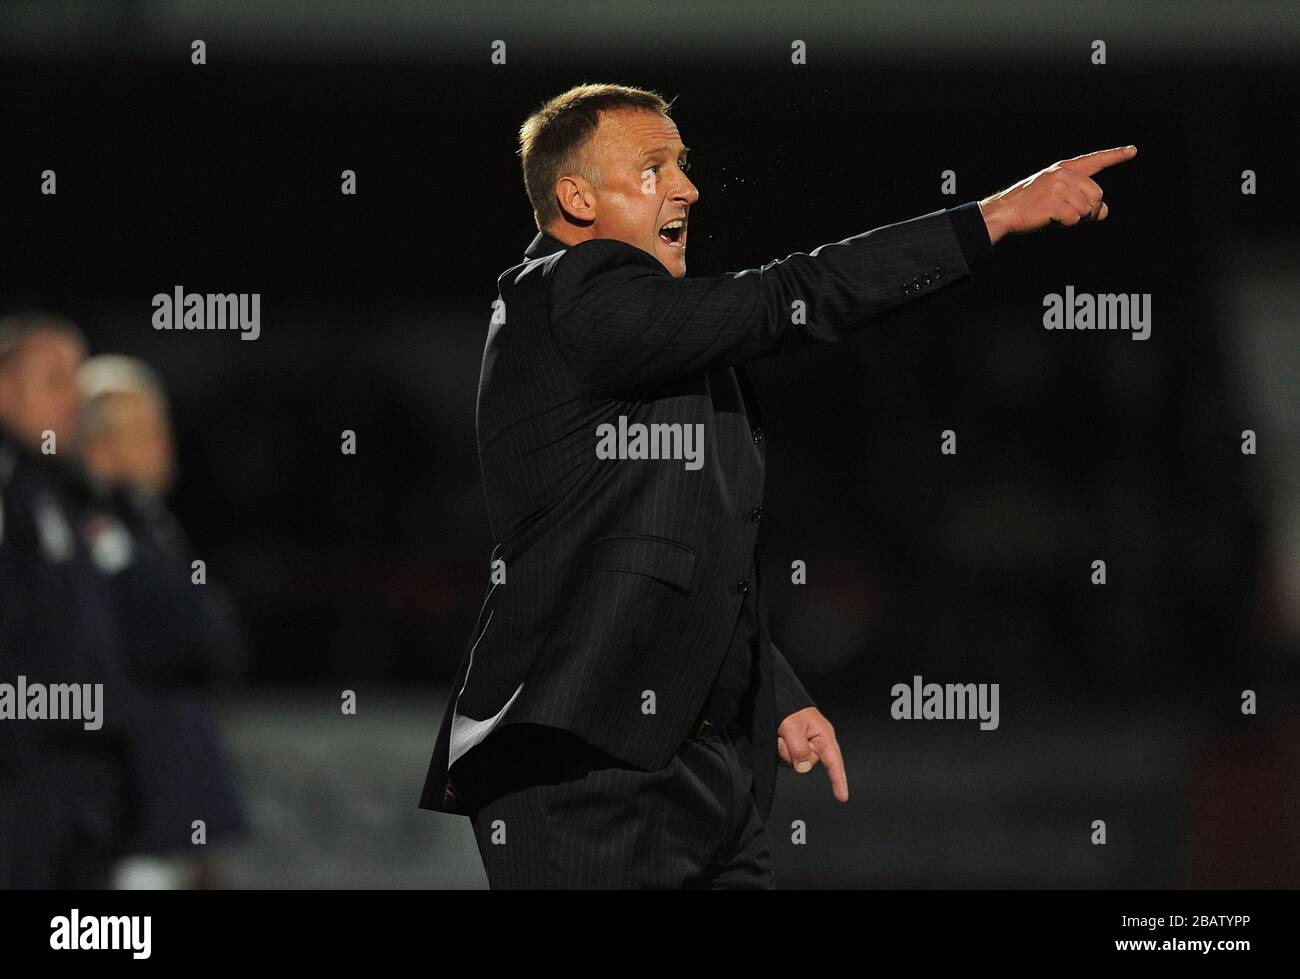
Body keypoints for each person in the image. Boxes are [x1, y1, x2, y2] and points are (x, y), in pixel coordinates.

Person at [418, 82, 1136, 888]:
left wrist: (771, 687)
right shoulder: (568, 292)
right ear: (574, 197)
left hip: (707, 772)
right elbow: (793, 294)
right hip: (591, 765)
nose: (686, 185)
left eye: (683, 163)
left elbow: (678, 543)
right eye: (654, 167)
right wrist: (992, 217)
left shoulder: (649, 335)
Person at [76, 354, 250, 889]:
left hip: (165, 807)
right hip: (129, 807)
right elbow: (182, 634)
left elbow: (221, 640)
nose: (163, 442)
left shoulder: (154, 526)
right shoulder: (94, 527)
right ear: (99, 447)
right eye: (144, 430)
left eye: (161, 425)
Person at [0, 312, 130, 888]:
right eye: (55, 380)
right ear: (4, 390)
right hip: (25, 780)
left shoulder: (61, 491)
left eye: (77, 382)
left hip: (80, 776)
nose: (74, 399)